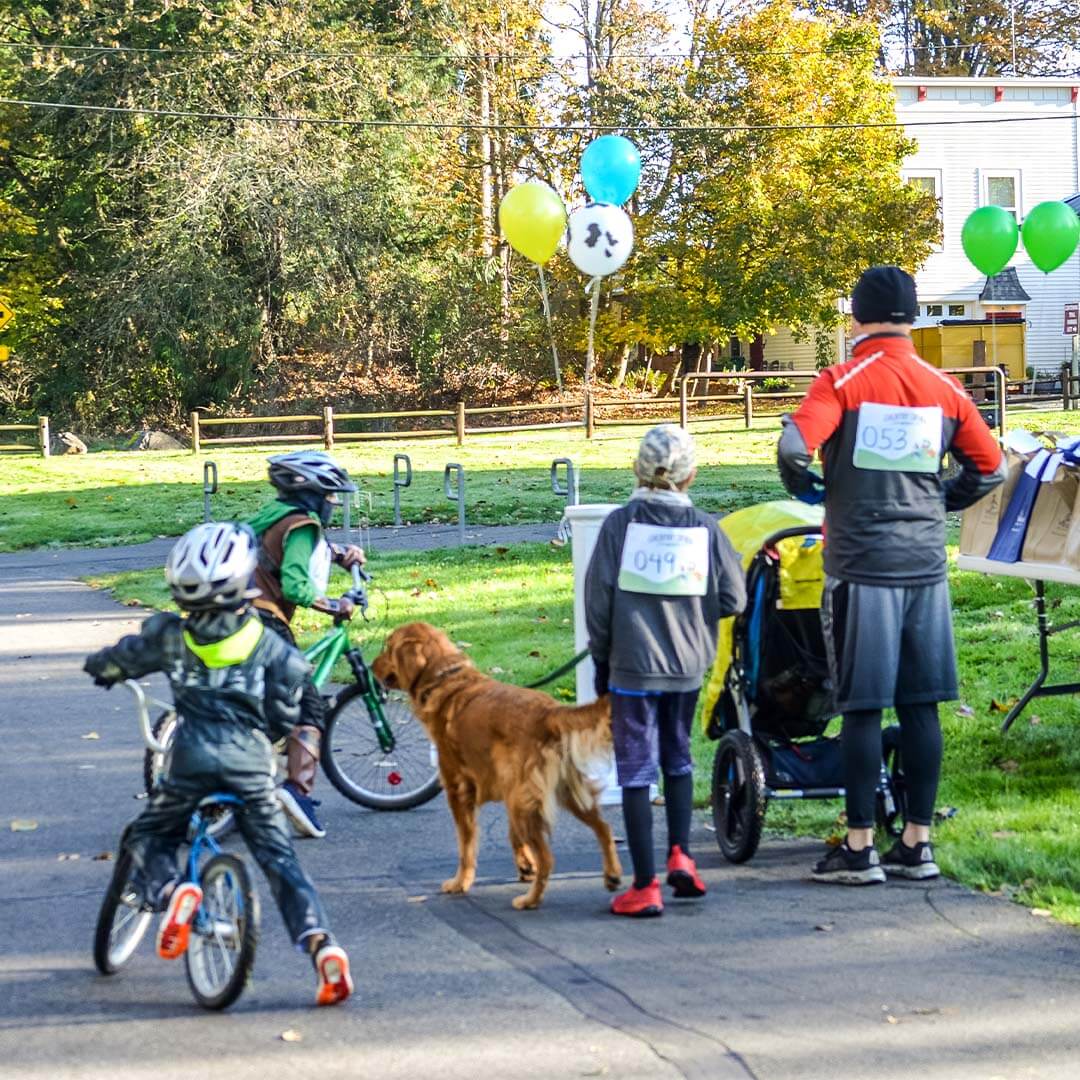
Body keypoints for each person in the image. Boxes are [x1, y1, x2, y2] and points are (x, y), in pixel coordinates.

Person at [777, 265, 1006, 885]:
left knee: (862, 706)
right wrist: (939, 501)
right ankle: (916, 843)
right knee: (921, 704)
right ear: (913, 315)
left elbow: (794, 448)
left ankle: (859, 849)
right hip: (924, 566)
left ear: (856, 316)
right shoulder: (943, 387)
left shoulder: (842, 380)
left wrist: (815, 489)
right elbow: (990, 467)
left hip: (860, 565)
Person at [84, 522, 353, 1005]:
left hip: (189, 762)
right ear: (245, 583)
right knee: (281, 863)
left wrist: (101, 669)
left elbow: (120, 660)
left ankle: (172, 893)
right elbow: (286, 711)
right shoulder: (270, 645)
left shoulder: (170, 637)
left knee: (149, 834)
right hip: (251, 768)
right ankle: (321, 946)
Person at [585, 424, 746, 917]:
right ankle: (682, 856)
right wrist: (694, 612)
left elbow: (598, 602)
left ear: (636, 470)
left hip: (632, 667)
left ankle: (644, 884)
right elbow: (734, 597)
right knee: (678, 757)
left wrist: (602, 658)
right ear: (691, 475)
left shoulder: (620, 526)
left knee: (636, 770)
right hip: (687, 666)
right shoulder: (705, 528)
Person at [247, 451, 366, 839]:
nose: (332, 503)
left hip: (236, 616)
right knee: (309, 705)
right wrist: (336, 605)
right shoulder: (304, 524)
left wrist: (340, 554)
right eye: (329, 495)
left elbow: (279, 553)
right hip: (265, 620)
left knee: (272, 699)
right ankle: (298, 793)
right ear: (311, 494)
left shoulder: (274, 515)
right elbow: (296, 585)